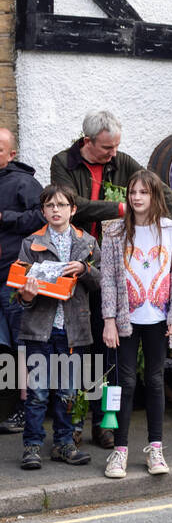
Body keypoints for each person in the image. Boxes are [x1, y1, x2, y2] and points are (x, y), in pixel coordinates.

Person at [50, 110, 172, 450]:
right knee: (83, 352)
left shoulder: (121, 160)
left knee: (110, 358)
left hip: (118, 272)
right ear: (88, 142)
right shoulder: (62, 163)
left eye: (116, 147)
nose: (113, 154)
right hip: (81, 267)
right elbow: (75, 205)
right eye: (107, 148)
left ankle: (106, 423)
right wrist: (122, 209)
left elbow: (161, 192)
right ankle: (75, 421)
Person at [99, 171, 172, 478]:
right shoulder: (113, 232)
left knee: (155, 380)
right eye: (133, 192)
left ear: (154, 197)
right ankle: (119, 451)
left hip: (158, 319)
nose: (137, 197)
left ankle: (155, 449)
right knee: (125, 382)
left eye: (143, 193)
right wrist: (109, 320)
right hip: (126, 320)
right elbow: (107, 280)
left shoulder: (170, 230)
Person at [15, 184, 99, 470]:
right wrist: (26, 293)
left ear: (73, 210)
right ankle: (32, 446)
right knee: (37, 392)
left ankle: (64, 444)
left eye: (61, 205)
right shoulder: (31, 242)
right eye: (50, 206)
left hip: (72, 330)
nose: (55, 210)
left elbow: (101, 281)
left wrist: (84, 269)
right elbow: (20, 288)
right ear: (43, 211)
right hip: (39, 328)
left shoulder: (86, 242)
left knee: (67, 391)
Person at [0, 127, 43, 435]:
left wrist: (6, 217)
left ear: (11, 154)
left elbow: (43, 216)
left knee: (23, 347)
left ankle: (27, 411)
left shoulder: (24, 182)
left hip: (12, 280)